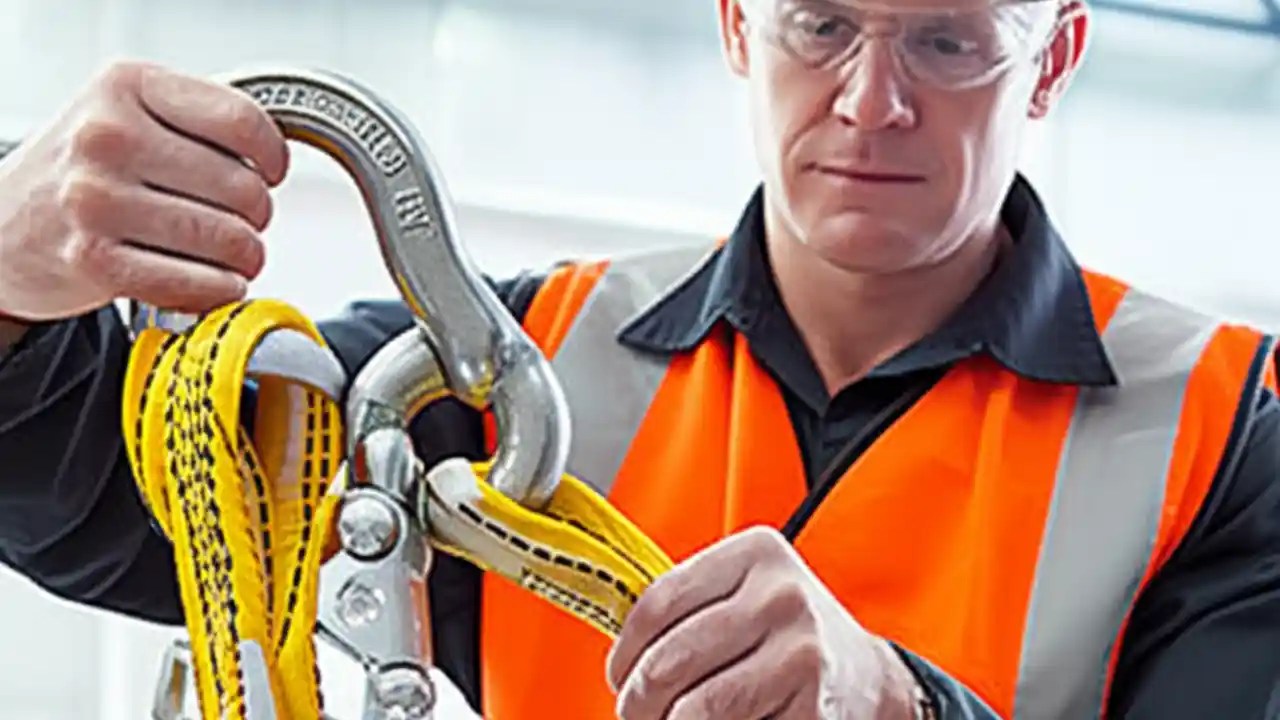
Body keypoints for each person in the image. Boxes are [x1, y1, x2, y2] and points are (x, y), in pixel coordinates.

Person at [0, 0, 1278, 716]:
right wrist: (10, 270)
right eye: (820, 25)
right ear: (736, 26)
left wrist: (892, 704)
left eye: (946, 41)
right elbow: (116, 491)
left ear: (1050, 56)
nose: (869, 101)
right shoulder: (496, 367)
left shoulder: (1228, 429)